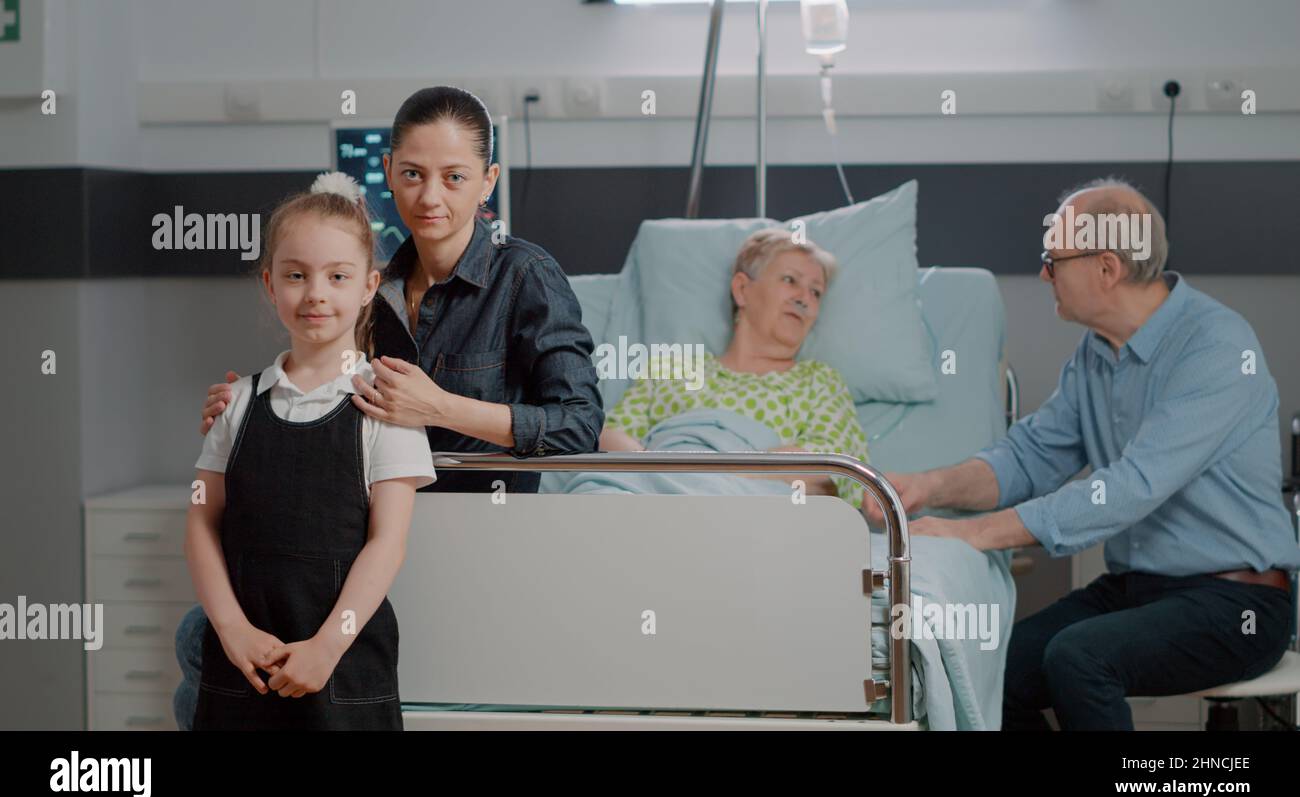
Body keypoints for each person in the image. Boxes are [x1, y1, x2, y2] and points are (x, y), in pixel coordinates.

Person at [175, 86, 603, 729]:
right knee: (201, 643)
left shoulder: (525, 276)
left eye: (455, 177)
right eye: (412, 175)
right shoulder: (369, 283)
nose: (431, 197)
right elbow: (321, 378)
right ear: (387, 176)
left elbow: (579, 426)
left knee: (207, 654)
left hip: (457, 540)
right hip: (345, 528)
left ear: (488, 181)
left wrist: (441, 408)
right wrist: (252, 410)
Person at [865, 178, 1300, 730]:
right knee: (990, 669)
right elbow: (1028, 458)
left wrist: (973, 532)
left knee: (1079, 657)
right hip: (1140, 591)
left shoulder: (1216, 347)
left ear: (1107, 268)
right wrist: (928, 488)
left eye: (1053, 259)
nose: (1045, 273)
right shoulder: (1096, 356)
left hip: (1237, 603)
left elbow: (1130, 488)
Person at [185, 172, 435, 730]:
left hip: (342, 670)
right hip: (241, 667)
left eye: (337, 276)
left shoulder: (385, 407)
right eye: (296, 275)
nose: (316, 292)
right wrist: (231, 629)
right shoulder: (235, 403)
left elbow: (387, 544)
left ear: (369, 286)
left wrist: (327, 646)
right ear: (271, 286)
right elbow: (201, 523)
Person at [602, 227, 872, 508]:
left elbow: (829, 467)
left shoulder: (818, 381)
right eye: (790, 280)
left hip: (750, 512)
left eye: (816, 292)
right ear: (742, 290)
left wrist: (706, 482)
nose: (804, 298)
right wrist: (665, 481)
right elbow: (610, 435)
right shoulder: (672, 369)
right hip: (651, 503)